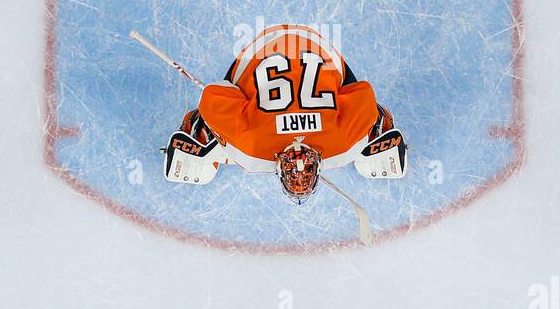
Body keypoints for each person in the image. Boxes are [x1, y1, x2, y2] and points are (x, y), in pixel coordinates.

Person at [163, 24, 407, 203]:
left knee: (361, 122)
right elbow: (212, 96)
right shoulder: (251, 146)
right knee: (219, 131)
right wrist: (225, 146)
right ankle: (202, 132)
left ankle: (377, 128)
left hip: (307, 45)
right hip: (267, 47)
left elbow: (363, 94)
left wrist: (361, 138)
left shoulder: (342, 143)